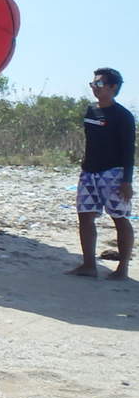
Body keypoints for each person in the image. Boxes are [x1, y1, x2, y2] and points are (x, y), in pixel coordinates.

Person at [67, 68, 134, 280]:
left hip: (113, 173)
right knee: (85, 215)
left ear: (113, 88)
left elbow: (128, 150)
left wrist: (126, 181)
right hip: (89, 172)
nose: (95, 89)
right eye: (93, 85)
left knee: (119, 217)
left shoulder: (123, 116)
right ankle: (88, 265)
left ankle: (122, 268)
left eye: (99, 85)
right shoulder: (91, 111)